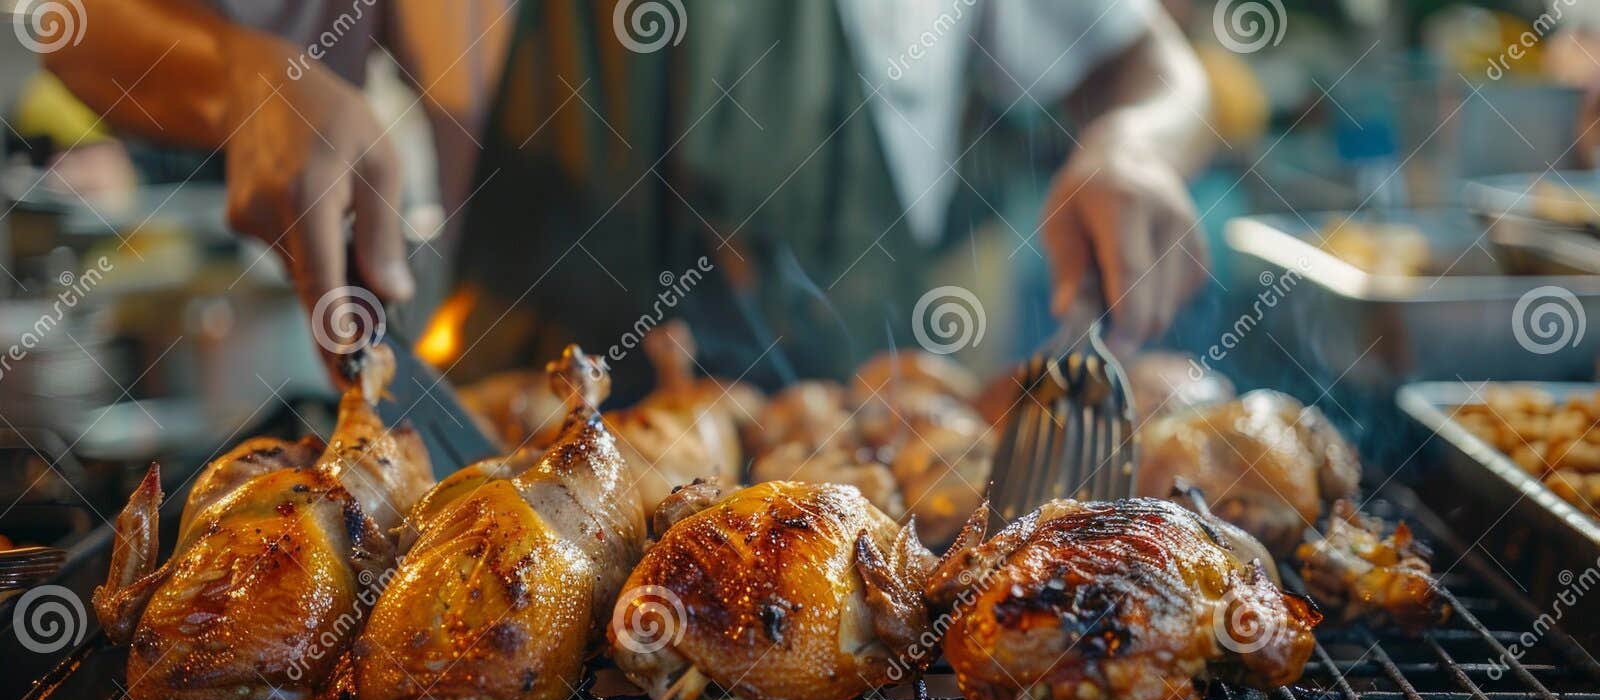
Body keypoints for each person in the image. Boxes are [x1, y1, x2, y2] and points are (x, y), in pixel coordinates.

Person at [47, 0, 1213, 392]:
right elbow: (75, 29)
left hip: (870, 526)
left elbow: (1148, 67)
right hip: (513, 516)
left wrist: (1136, 146)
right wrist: (245, 74)